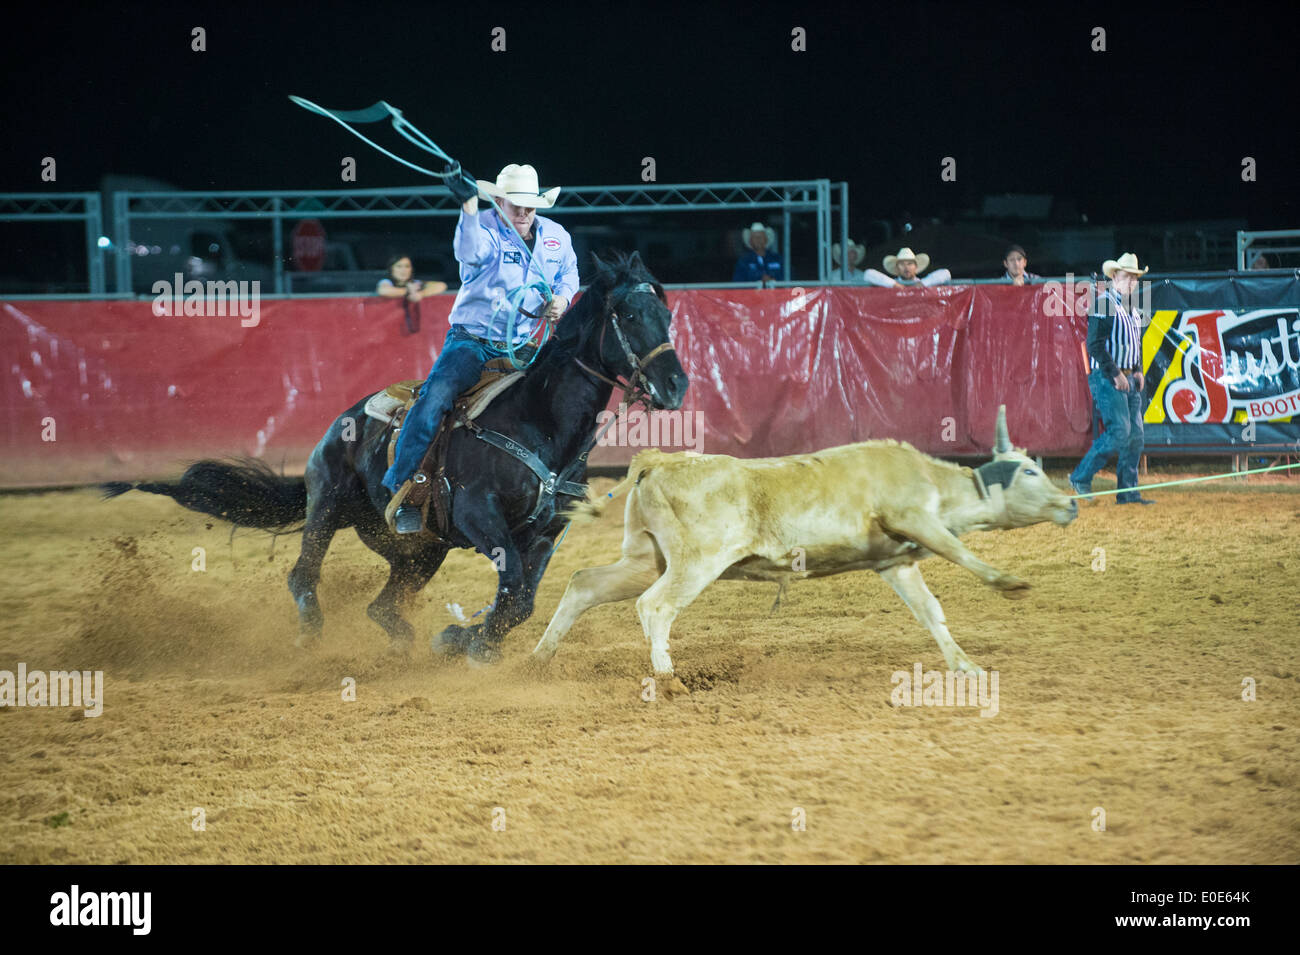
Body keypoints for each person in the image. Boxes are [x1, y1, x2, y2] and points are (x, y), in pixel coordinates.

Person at [383, 162, 580, 533]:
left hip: (525, 346)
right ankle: (405, 487)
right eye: (515, 205)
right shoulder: (486, 228)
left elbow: (569, 271)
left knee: (562, 397)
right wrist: (469, 206)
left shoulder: (557, 236)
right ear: (500, 202)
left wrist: (563, 298)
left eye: (530, 206)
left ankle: (555, 483)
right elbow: (469, 254)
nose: (523, 213)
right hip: (472, 342)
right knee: (436, 395)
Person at [1069, 252, 1154, 505]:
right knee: (1120, 431)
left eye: (1135, 278)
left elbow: (1133, 344)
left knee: (1135, 435)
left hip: (1127, 377)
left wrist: (1137, 369)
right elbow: (1094, 345)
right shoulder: (1104, 303)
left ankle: (1128, 492)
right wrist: (1116, 373)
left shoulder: (1132, 309)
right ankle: (1081, 477)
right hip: (1107, 377)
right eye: (1127, 277)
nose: (1132, 282)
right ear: (1115, 277)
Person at [377, 255, 447, 334]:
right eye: (399, 266)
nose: (404, 270)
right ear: (391, 269)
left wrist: (421, 293)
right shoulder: (386, 282)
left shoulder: (415, 283)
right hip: (387, 327)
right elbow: (383, 290)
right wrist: (408, 290)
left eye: (407, 266)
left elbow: (441, 286)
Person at [863, 247, 951, 288]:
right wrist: (894, 285)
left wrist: (923, 284)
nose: (906, 267)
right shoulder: (889, 284)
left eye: (910, 264)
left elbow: (946, 273)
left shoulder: (925, 283)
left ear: (916, 267)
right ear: (897, 268)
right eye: (902, 264)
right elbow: (868, 274)